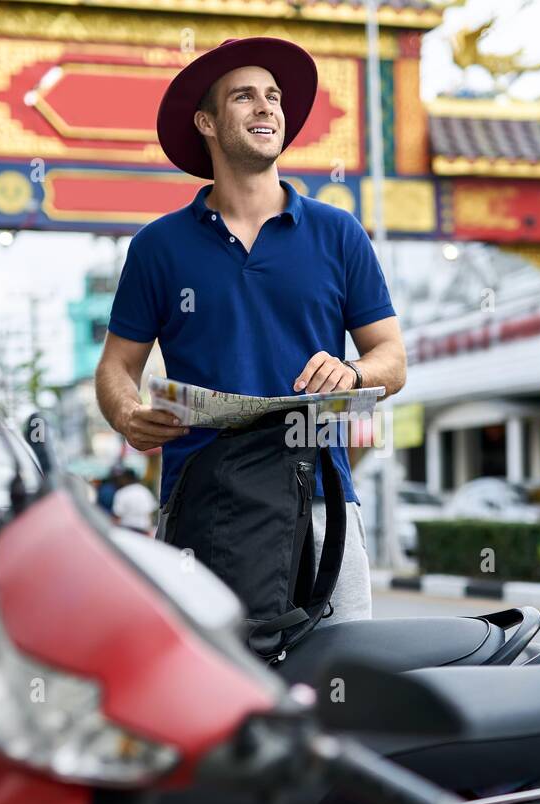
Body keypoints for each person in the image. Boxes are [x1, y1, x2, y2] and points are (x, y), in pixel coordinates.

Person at [95, 37, 406, 624]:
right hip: (201, 507)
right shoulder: (158, 247)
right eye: (245, 97)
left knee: (339, 681)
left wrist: (353, 372)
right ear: (206, 122)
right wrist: (129, 415)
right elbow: (116, 367)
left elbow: (391, 358)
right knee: (207, 690)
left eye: (274, 97)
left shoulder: (339, 234)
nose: (267, 108)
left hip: (321, 501)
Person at [111, 468, 158, 534]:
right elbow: (149, 514)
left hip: (127, 531)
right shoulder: (144, 491)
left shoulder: (122, 493)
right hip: (144, 530)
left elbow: (117, 516)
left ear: (125, 478)